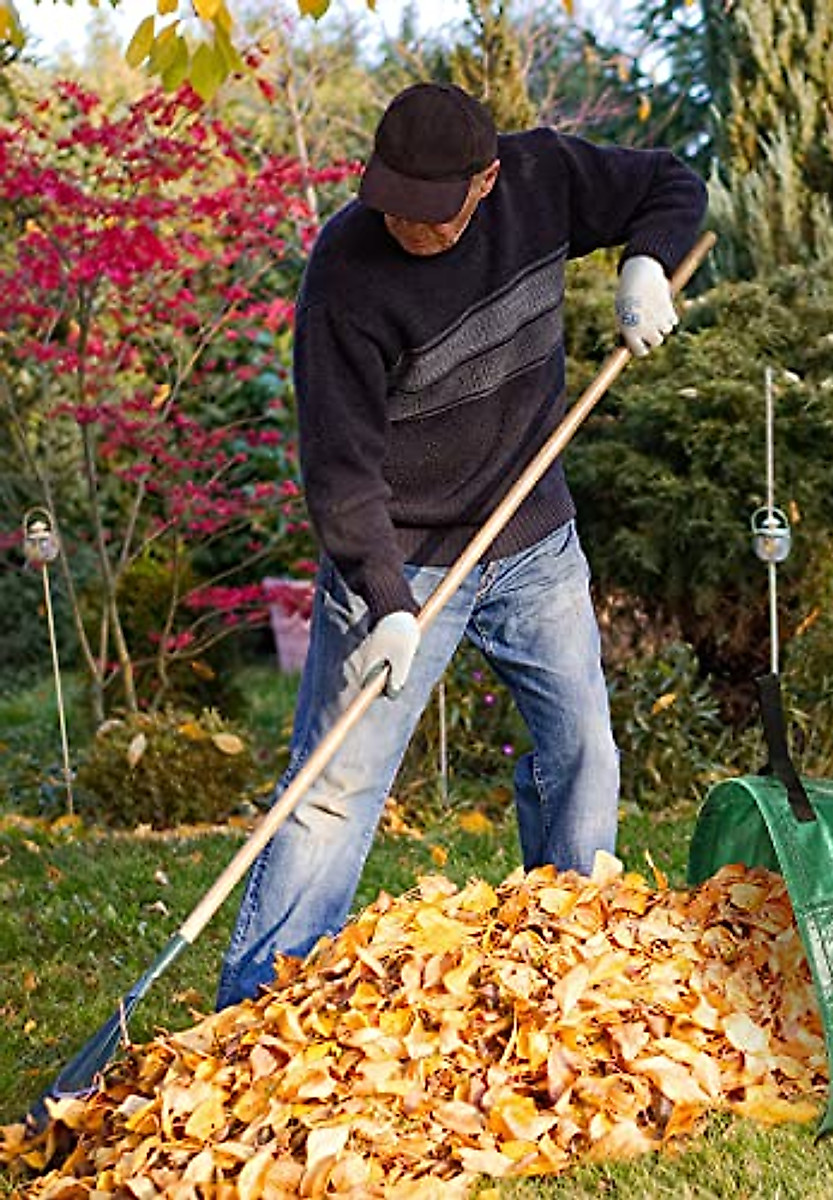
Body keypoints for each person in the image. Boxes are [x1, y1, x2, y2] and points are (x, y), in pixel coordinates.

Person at [217, 82, 708, 1008]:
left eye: (428, 210)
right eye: (392, 202)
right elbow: (339, 467)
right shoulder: (347, 273)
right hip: (402, 555)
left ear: (486, 181)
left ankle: (572, 957)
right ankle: (252, 1014)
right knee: (332, 792)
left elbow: (670, 184)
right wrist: (385, 599)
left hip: (532, 541)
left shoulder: (544, 177)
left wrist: (645, 265)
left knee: (584, 752)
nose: (405, 225)